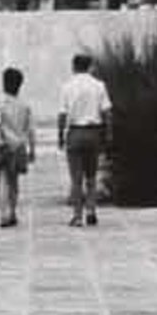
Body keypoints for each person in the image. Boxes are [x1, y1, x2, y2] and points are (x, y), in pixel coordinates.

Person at [58, 51, 113, 227]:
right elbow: (107, 112)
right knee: (91, 175)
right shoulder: (99, 85)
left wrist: (60, 135)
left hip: (75, 133)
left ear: (74, 67)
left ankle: (77, 215)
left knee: (76, 178)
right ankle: (91, 210)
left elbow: (62, 114)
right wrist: (108, 133)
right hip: (93, 133)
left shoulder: (67, 86)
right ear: (90, 66)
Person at [0, 67, 35, 228]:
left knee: (1, 180)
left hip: (0, 146)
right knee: (14, 181)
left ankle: (3, 213)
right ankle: (12, 211)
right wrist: (32, 149)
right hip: (18, 146)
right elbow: (30, 129)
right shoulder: (25, 105)